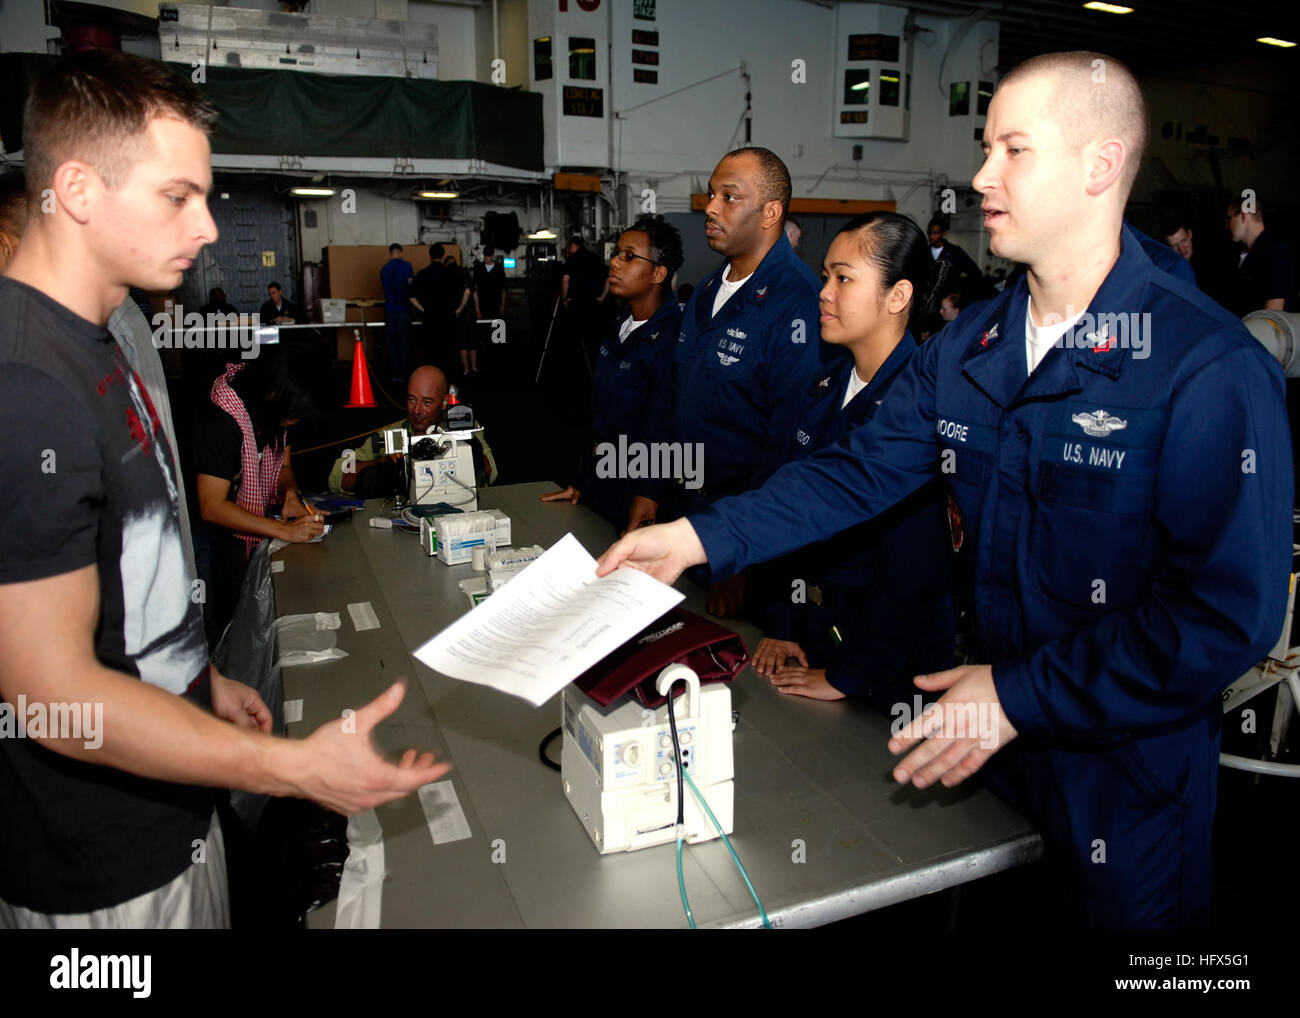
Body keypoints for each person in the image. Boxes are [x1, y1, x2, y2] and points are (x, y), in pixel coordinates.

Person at [597, 51, 1292, 928]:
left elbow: (1224, 617)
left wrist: (1018, 695)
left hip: (1126, 772)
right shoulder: (970, 350)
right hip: (985, 744)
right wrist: (696, 539)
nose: (980, 175)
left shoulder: (1205, 366)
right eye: (984, 147)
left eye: (1013, 150)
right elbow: (855, 471)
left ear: (1100, 165)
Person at [0, 49, 447, 929]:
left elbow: (122, 579)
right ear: (81, 191)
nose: (207, 227)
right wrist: (293, 769)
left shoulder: (105, 343)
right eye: (178, 197)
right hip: (104, 868)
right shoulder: (27, 384)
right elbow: (49, 695)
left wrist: (197, 678)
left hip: (171, 808)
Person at [750, 212, 955, 709]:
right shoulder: (824, 384)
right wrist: (782, 623)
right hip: (814, 634)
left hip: (885, 668)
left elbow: (912, 577)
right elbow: (791, 510)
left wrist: (848, 676)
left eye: (844, 278)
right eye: (825, 277)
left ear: (897, 296)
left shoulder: (921, 409)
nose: (824, 292)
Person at [672, 145, 825, 618]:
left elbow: (787, 446)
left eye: (729, 197)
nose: (711, 207)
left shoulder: (797, 302)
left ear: (770, 212)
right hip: (689, 512)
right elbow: (685, 400)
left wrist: (737, 553)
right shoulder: (707, 292)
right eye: (711, 194)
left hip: (744, 539)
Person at [542, 216, 684, 533]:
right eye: (616, 254)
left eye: (629, 256)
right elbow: (601, 421)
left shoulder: (673, 339)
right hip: (607, 482)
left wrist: (648, 495)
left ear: (659, 273)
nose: (615, 264)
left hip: (645, 496)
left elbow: (662, 427)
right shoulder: (620, 326)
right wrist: (582, 480)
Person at [193, 343, 326, 644]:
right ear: (272, 396)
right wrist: (283, 530)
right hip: (217, 538)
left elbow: (283, 467)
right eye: (292, 417)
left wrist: (290, 493)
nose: (292, 424)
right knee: (230, 626)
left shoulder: (274, 410)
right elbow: (211, 505)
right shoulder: (222, 416)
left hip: (254, 522)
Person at [328, 364, 497, 496]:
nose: (416, 410)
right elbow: (339, 477)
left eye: (427, 402)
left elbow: (490, 472)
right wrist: (382, 463)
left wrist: (462, 449)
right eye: (411, 400)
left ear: (445, 402)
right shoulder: (395, 432)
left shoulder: (462, 426)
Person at [1226, 195, 1297, 314]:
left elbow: (1274, 309)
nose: (1227, 225)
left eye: (1230, 218)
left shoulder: (1274, 252)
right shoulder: (1243, 256)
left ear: (1244, 215)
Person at [561, 235, 608, 363]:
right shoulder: (595, 259)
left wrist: (564, 298)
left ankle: (578, 364)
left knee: (575, 337)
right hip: (593, 304)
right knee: (593, 337)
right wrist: (602, 297)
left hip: (576, 303)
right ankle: (594, 365)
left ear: (572, 246)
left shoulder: (571, 260)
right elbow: (608, 279)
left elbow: (566, 280)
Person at [927, 216, 993, 303]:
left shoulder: (955, 252)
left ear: (943, 234)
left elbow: (974, 272)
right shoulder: (924, 253)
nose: (932, 237)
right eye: (930, 233)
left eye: (936, 233)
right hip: (929, 301)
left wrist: (961, 292)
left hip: (949, 301)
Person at [380, 242, 415, 384]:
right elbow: (411, 286)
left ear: (390, 253)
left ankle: (394, 376)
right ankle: (404, 376)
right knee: (403, 344)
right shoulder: (406, 266)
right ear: (401, 252)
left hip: (389, 311)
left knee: (392, 345)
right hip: (403, 310)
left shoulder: (384, 269)